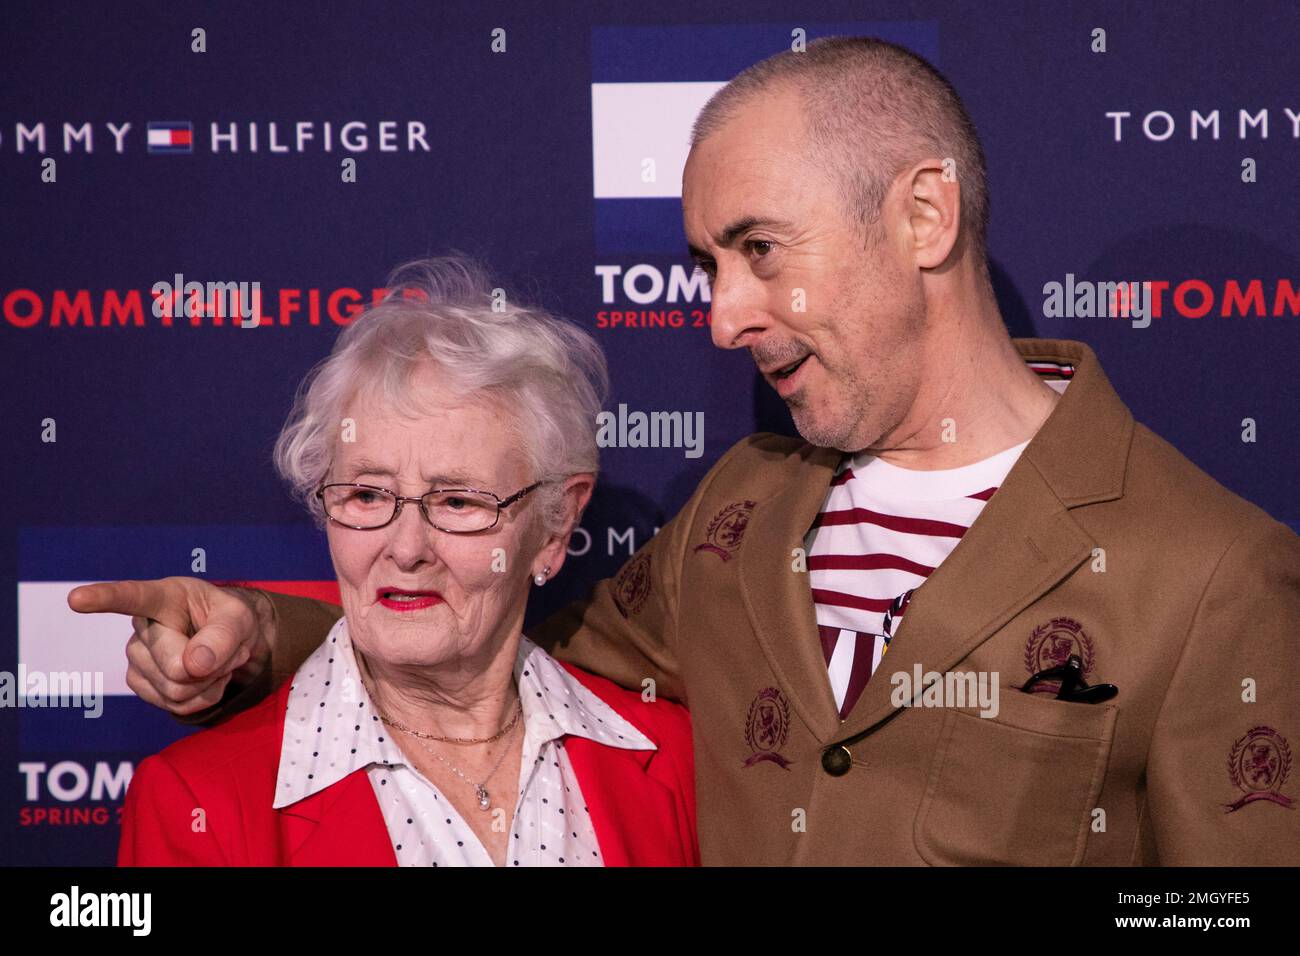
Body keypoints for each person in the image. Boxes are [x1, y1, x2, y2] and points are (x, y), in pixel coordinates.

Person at [75, 37, 1299, 865]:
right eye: (708, 265)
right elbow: (515, 646)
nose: (717, 316)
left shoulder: (1208, 572)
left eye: (758, 249)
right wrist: (257, 624)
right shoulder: (743, 510)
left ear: (922, 214)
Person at [106, 257, 698, 867]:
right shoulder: (199, 803)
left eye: (459, 501)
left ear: (555, 524)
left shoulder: (671, 759)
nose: (407, 548)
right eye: (367, 495)